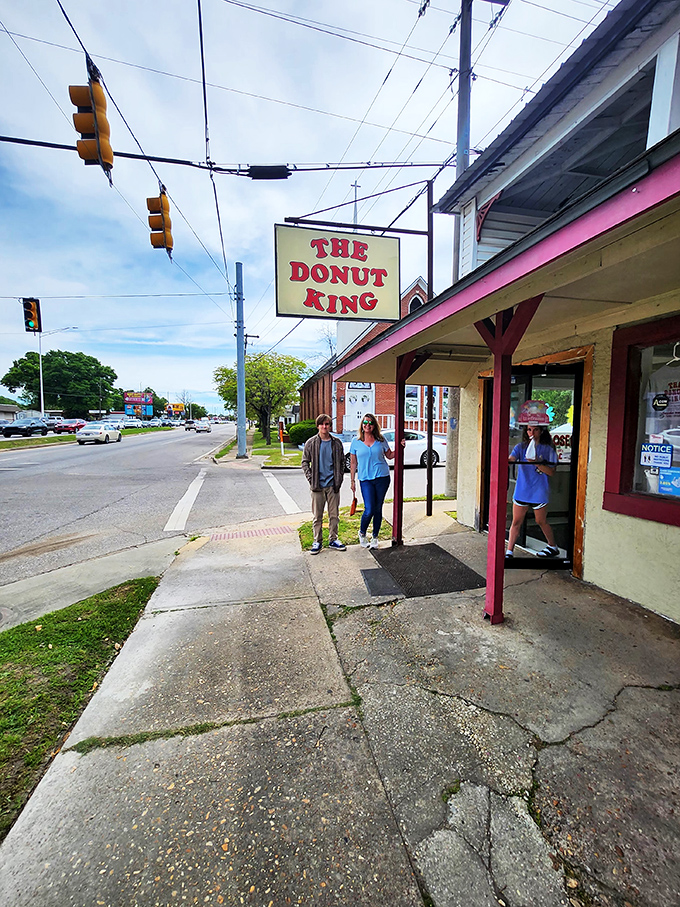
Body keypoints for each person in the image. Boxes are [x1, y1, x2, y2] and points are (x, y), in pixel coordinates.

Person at [506, 424, 559, 559]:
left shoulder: (548, 449)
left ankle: (552, 546)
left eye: (535, 429)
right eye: (529, 429)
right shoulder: (521, 447)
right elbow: (511, 460)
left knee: (540, 520)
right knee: (516, 521)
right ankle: (509, 551)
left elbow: (552, 472)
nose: (532, 432)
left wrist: (536, 462)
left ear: (541, 431)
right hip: (522, 490)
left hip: (539, 490)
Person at [349, 413, 397, 550]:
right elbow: (353, 462)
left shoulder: (381, 440)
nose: (367, 425)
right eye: (365, 422)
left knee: (378, 508)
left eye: (370, 423)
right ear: (362, 425)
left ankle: (375, 537)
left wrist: (401, 447)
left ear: (374, 425)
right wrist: (352, 481)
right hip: (365, 479)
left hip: (382, 477)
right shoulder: (355, 441)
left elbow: (390, 456)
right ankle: (362, 532)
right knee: (369, 509)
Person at [301, 414, 346, 555]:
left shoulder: (336, 443)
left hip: (333, 486)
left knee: (334, 515)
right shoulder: (311, 443)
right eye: (322, 424)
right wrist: (310, 478)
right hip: (317, 486)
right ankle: (317, 541)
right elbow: (304, 462)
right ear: (318, 426)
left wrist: (339, 478)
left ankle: (333, 539)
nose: (324, 427)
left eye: (327, 424)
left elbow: (342, 462)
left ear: (329, 426)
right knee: (317, 516)